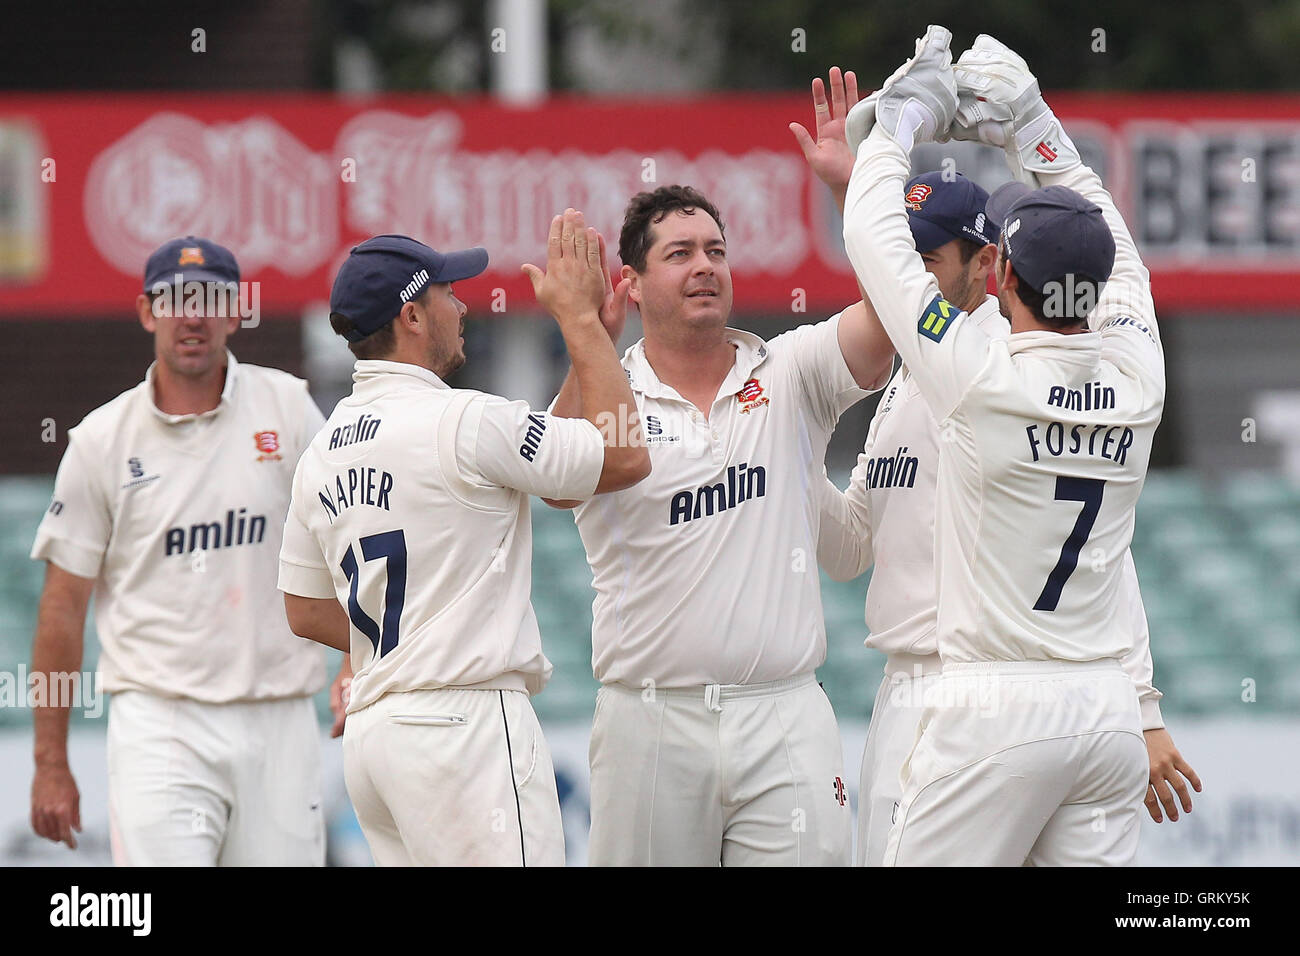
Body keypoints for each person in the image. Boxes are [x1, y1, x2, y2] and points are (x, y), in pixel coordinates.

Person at [839, 26, 1194, 865]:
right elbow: (1119, 249)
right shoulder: (1139, 377)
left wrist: (903, 121)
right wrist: (1034, 126)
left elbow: (875, 243)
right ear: (1100, 289)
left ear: (999, 279)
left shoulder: (976, 376)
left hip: (995, 706)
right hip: (1105, 712)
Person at [544, 90, 897, 863]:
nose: (704, 266)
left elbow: (887, 328)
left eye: (715, 250)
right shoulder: (609, 394)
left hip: (784, 713)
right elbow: (560, 483)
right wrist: (586, 348)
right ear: (629, 285)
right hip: (651, 724)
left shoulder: (790, 368)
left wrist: (850, 187)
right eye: (678, 254)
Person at [277, 213, 650, 866]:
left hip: (377, 737)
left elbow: (303, 610)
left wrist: (590, 351)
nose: (462, 304)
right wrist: (583, 325)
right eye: (446, 291)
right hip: (463, 731)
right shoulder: (466, 418)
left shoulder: (323, 450)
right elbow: (623, 456)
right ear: (413, 318)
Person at [29, 236, 334, 866]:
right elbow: (62, 608)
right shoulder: (100, 441)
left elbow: (347, 543)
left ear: (233, 311)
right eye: (174, 300)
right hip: (159, 725)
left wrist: (357, 660)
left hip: (279, 715)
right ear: (148, 312)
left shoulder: (290, 408)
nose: (191, 316)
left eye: (209, 299)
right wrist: (50, 763)